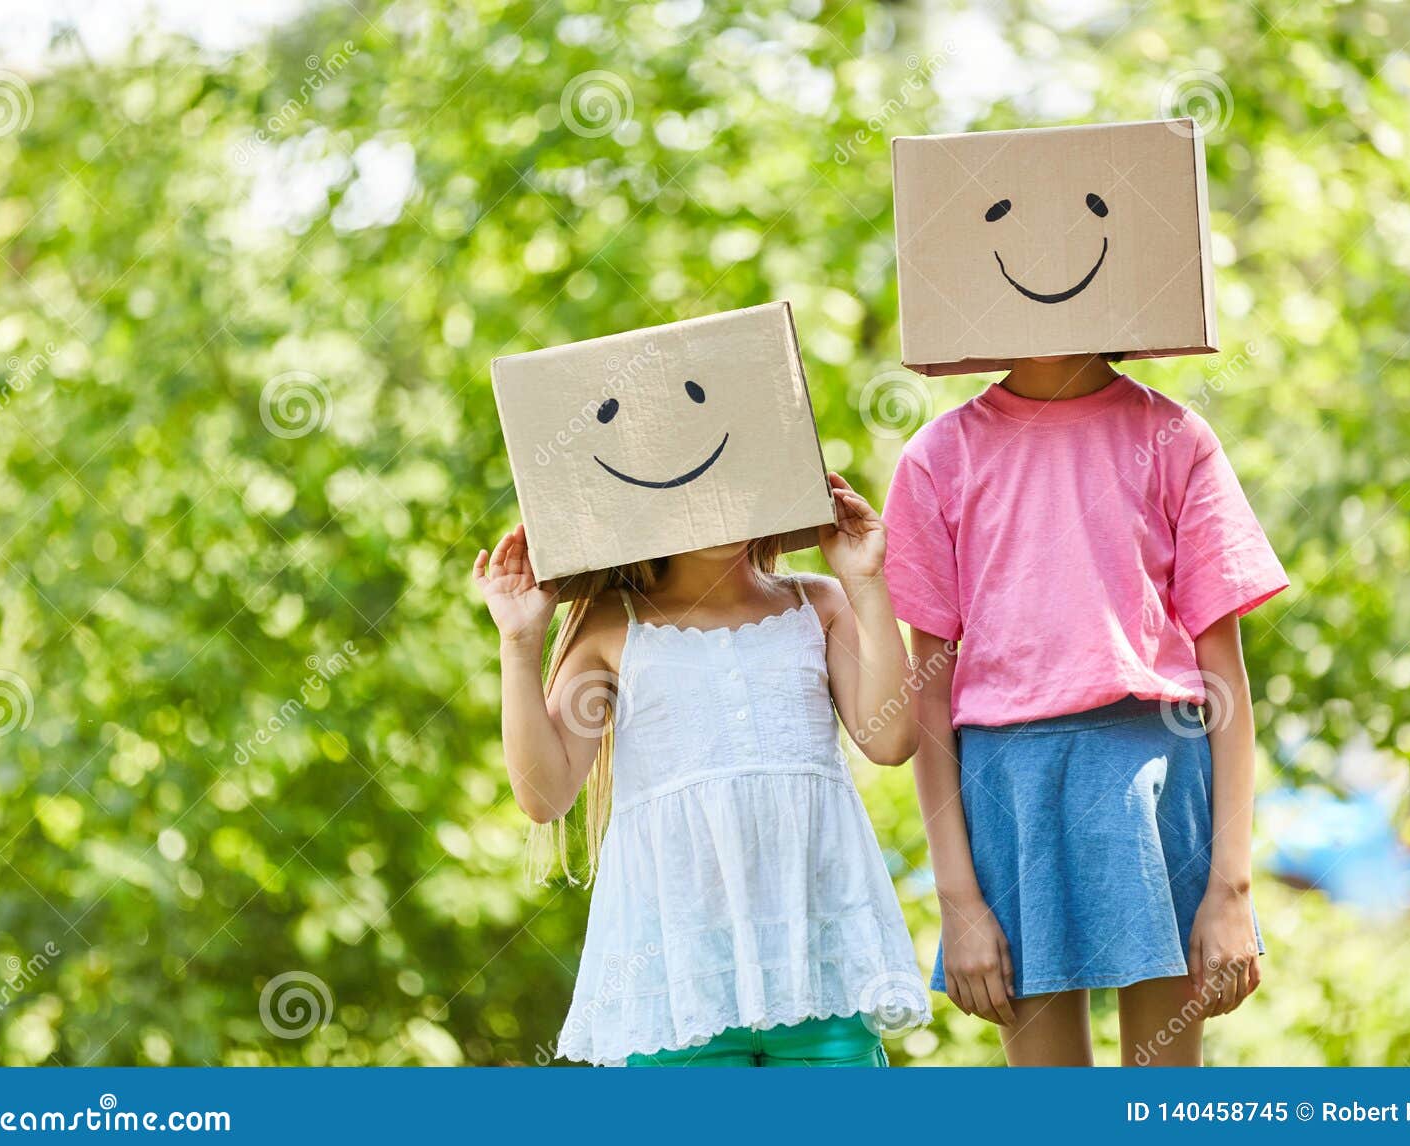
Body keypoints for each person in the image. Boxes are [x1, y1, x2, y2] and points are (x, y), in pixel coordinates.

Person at [882, 355, 1287, 1066]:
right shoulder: (938, 458)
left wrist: (1230, 886)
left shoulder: (1177, 437)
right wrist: (958, 897)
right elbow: (930, 693)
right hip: (1012, 799)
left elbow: (1225, 675)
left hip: (1160, 794)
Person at [474, 472, 929, 1066]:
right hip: (679, 988)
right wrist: (519, 643)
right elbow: (545, 794)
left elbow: (891, 738)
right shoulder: (613, 627)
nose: (715, 495)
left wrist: (865, 582)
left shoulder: (817, 606)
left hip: (819, 969)